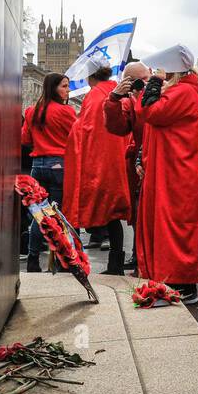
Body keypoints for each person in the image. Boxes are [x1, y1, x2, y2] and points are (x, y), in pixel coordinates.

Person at [136, 45, 198, 305]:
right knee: (175, 226)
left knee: (173, 227)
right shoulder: (187, 91)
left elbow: (151, 113)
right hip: (174, 170)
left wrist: (154, 84)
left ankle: (179, 285)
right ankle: (177, 282)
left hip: (175, 172)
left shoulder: (183, 92)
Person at [62, 64, 133, 274]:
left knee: (76, 213)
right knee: (112, 216)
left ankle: (73, 261)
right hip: (116, 162)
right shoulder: (114, 92)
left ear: (90, 78)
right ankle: (116, 264)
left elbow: (86, 131)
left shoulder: (94, 96)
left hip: (96, 163)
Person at [20, 72, 77, 273]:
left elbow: (25, 139)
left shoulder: (31, 111)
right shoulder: (66, 112)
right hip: (59, 165)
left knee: (40, 215)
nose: (68, 90)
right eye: (64, 86)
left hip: (38, 165)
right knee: (58, 215)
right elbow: (77, 139)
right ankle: (63, 262)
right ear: (54, 88)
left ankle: (32, 259)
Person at [103, 60, 151, 274]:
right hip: (140, 165)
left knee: (149, 215)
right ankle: (141, 260)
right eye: (134, 82)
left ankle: (146, 262)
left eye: (144, 79)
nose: (141, 85)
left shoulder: (163, 92)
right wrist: (114, 98)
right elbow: (118, 127)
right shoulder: (129, 101)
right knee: (140, 214)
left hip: (153, 162)